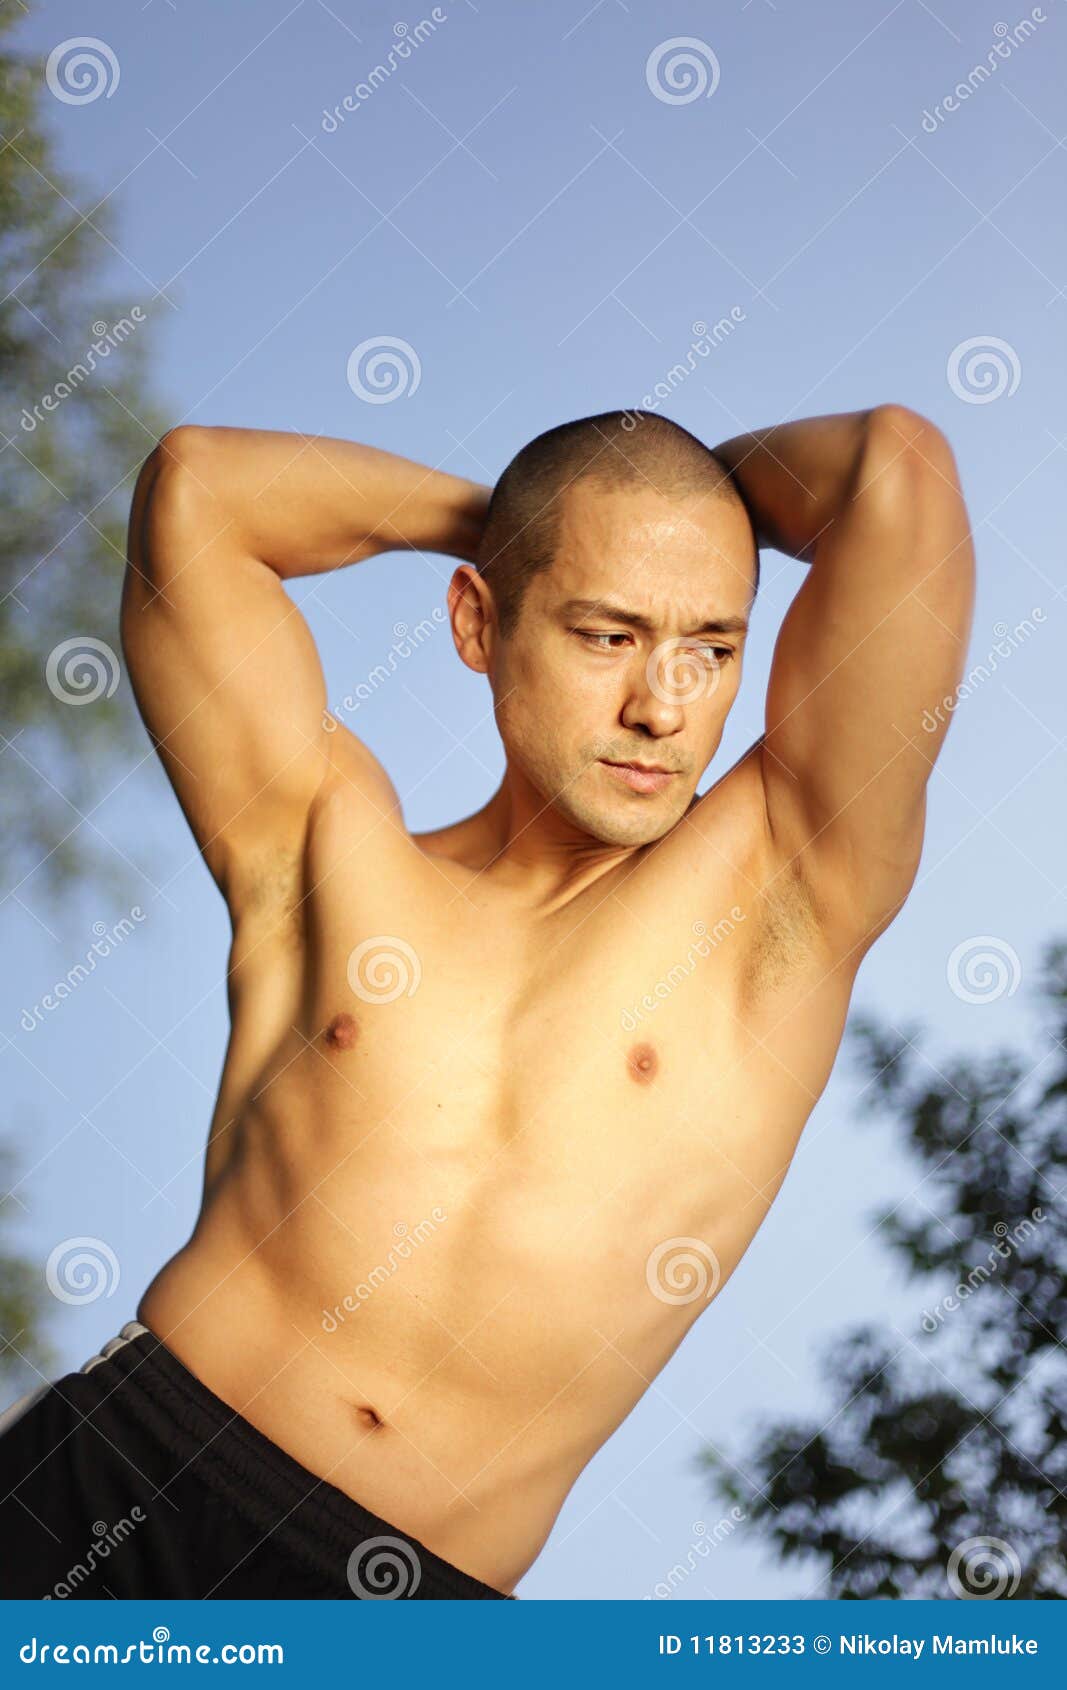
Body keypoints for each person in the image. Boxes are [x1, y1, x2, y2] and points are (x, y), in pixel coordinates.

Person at [0, 406, 975, 1599]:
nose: (661, 707)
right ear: (477, 620)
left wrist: (672, 505)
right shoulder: (326, 842)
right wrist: (519, 523)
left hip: (406, 1602)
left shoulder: (785, 890)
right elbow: (199, 486)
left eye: (710, 647)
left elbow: (895, 465)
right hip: (111, 1475)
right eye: (607, 633)